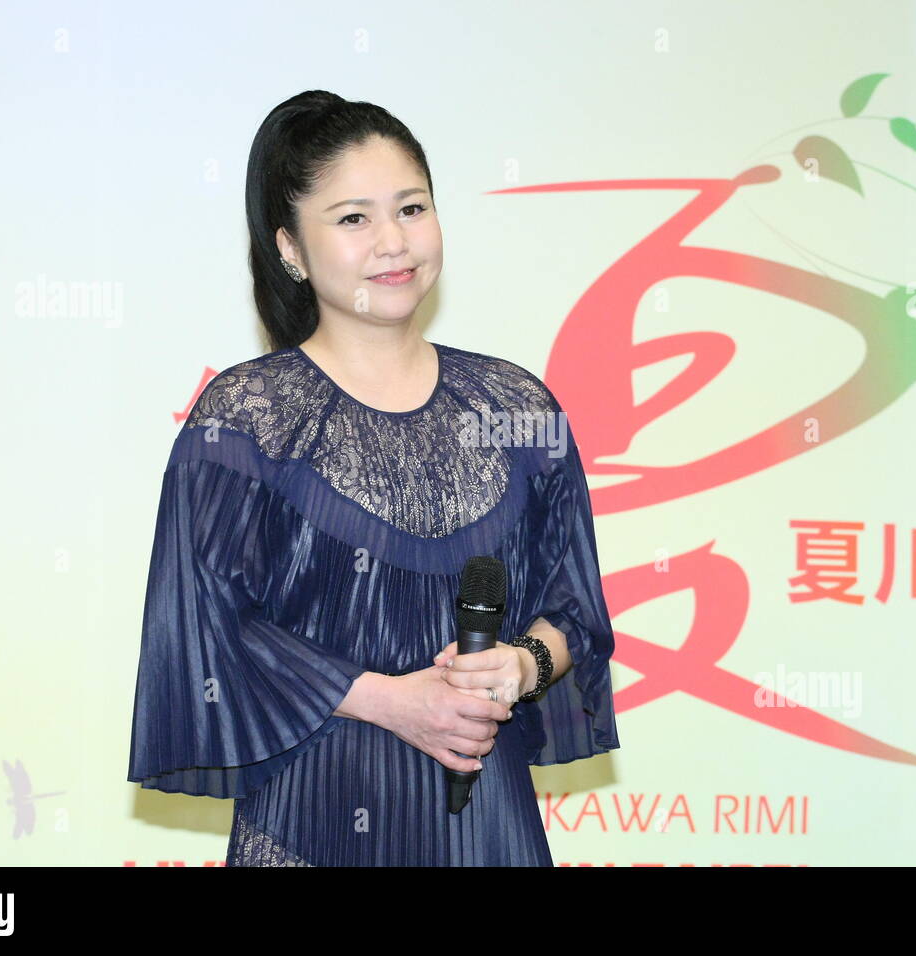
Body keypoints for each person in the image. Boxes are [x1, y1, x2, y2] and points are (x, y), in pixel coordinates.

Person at [126, 90, 620, 866]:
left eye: (412, 208)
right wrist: (392, 702)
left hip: (484, 824)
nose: (394, 241)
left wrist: (518, 666)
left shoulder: (519, 407)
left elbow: (578, 616)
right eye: (354, 218)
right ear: (290, 248)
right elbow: (201, 627)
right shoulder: (247, 417)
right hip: (309, 817)